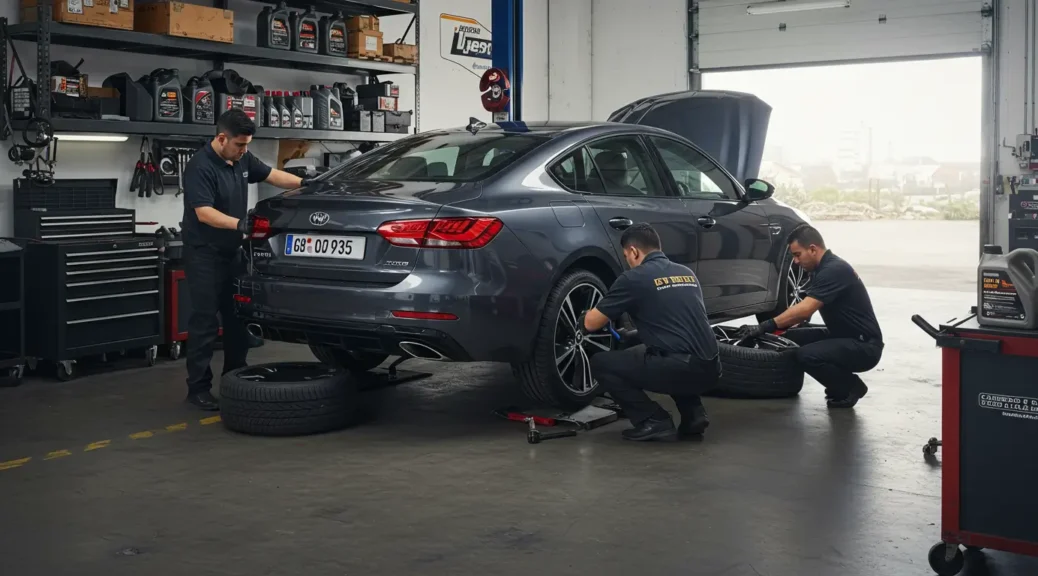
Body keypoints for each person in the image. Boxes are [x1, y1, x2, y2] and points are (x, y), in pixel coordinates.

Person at [181, 109, 311, 410]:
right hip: (204, 254)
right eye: (240, 144)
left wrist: (307, 185)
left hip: (232, 253)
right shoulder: (200, 167)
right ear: (221, 138)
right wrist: (240, 224)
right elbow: (203, 212)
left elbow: (271, 174)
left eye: (247, 144)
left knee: (238, 319)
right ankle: (197, 389)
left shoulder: (241, 160)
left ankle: (234, 379)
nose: (245, 150)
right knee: (204, 323)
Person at [578, 223, 720, 442]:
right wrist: (633, 335)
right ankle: (694, 415)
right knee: (671, 351)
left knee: (601, 363)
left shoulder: (634, 278)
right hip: (712, 369)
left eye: (627, 256)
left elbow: (590, 324)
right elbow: (675, 325)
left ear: (634, 251)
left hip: (679, 369)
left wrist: (584, 316)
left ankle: (652, 420)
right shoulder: (686, 273)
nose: (628, 261)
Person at [735, 224, 883, 408]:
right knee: (787, 339)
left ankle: (850, 386)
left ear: (813, 249)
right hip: (841, 335)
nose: (795, 261)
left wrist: (764, 326)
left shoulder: (834, 270)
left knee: (806, 355)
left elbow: (805, 309)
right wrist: (788, 326)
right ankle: (836, 382)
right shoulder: (820, 269)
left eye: (797, 255)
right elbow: (804, 312)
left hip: (864, 346)